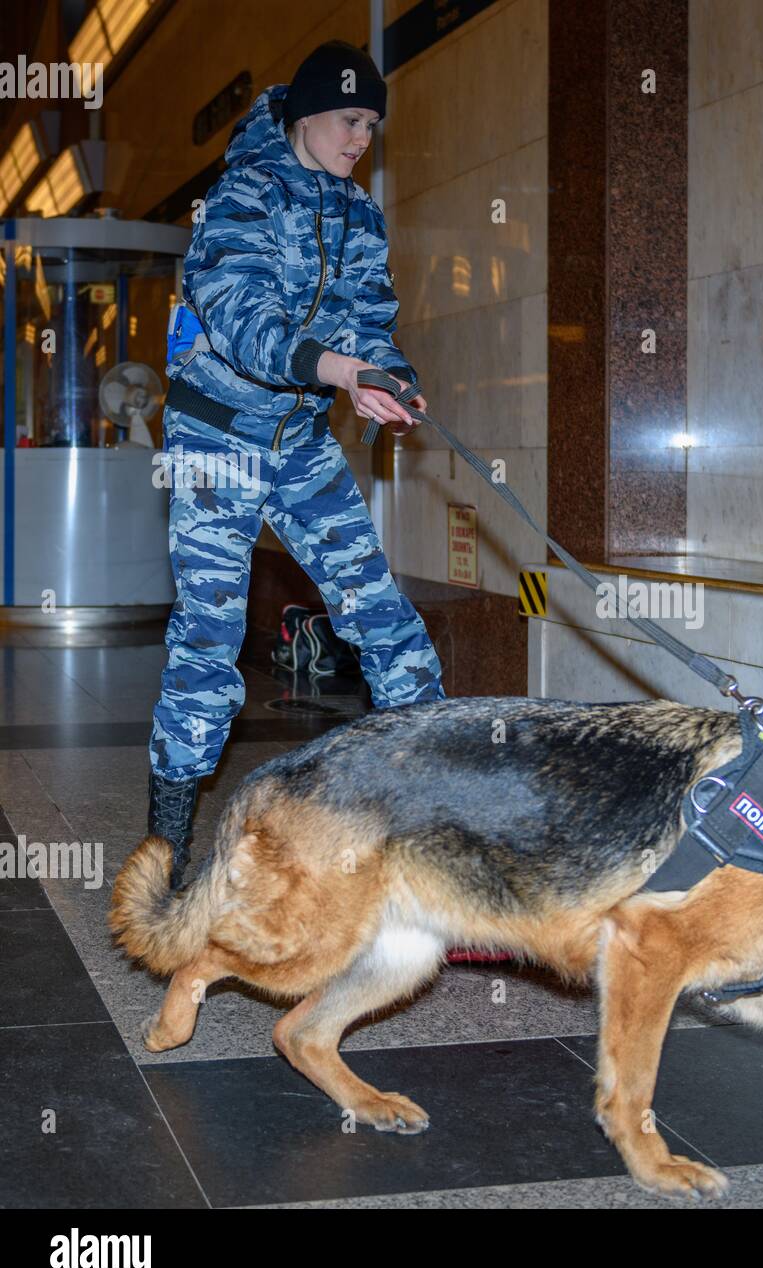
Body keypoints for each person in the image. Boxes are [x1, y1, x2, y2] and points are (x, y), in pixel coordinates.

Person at [148, 41, 444, 889]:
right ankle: (165, 851)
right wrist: (338, 370)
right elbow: (243, 320)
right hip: (216, 439)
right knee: (208, 639)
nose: (363, 138)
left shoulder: (359, 214)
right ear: (308, 113)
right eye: (351, 120)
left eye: (373, 126)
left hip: (299, 439)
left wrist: (386, 378)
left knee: (388, 627)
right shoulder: (239, 195)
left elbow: (370, 325)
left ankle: (428, 840)